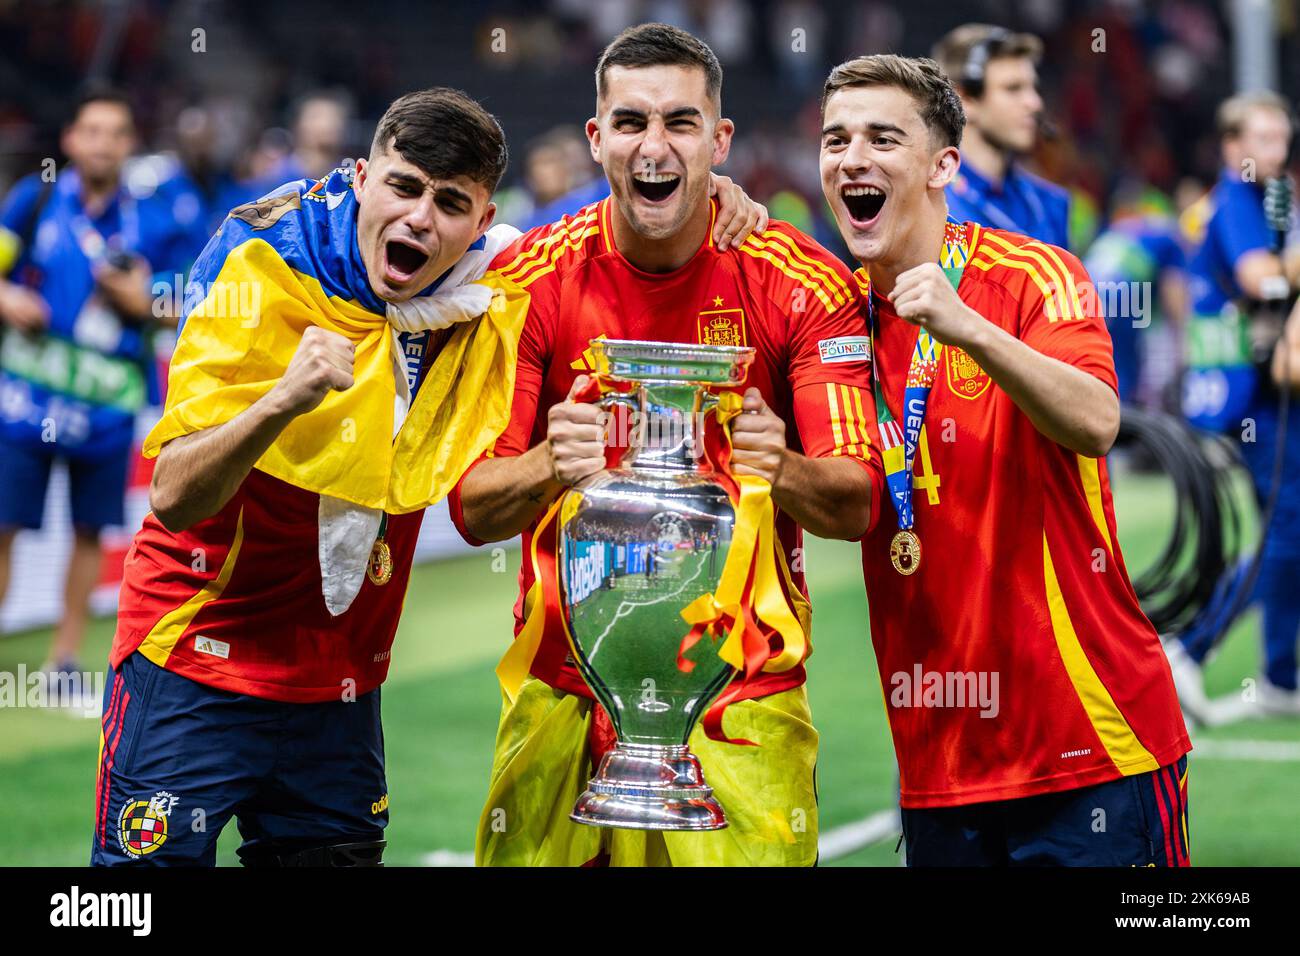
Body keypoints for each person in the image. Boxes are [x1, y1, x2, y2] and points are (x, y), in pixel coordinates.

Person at [452, 23, 879, 867]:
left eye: (681, 123)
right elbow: (469, 508)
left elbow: (859, 503)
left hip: (738, 689)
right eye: (632, 123)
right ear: (596, 138)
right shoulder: (528, 282)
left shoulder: (801, 281)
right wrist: (546, 465)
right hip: (562, 683)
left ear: (719, 141)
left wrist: (781, 465)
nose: (655, 147)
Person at [91, 88, 516, 866]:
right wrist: (282, 401)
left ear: (481, 224)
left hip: (339, 687)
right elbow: (175, 494)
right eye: (404, 186)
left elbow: (621, 239)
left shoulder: (490, 284)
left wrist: (716, 191)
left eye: (450, 203)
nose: (421, 218)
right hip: (194, 662)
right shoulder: (261, 264)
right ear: (361, 176)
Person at [819, 53, 1191, 865]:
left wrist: (969, 330)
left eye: (883, 137)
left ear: (944, 164)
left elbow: (1097, 420)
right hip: (939, 770)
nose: (852, 158)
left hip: (1093, 744)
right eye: (835, 139)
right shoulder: (833, 318)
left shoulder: (1032, 273)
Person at [0, 89, 185, 686]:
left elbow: (195, 301)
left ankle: (64, 662)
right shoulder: (36, 199)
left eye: (116, 133)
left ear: (130, 145)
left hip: (107, 406)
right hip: (26, 398)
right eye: (93, 131)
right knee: (4, 524)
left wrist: (146, 301)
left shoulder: (156, 219)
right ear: (71, 141)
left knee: (89, 532)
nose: (104, 143)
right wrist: (7, 298)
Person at [1175, 91, 1300, 718]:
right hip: (1248, 391)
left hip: (1260, 384)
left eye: (1283, 138)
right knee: (1286, 527)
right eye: (1264, 138)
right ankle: (1189, 649)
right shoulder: (1234, 200)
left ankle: (1280, 675)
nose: (1276, 151)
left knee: (1288, 527)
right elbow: (1260, 278)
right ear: (1233, 147)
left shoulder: (1261, 198)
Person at [932, 24, 1070, 249]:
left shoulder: (1051, 205)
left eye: (1033, 88)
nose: (1035, 103)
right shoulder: (928, 204)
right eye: (1013, 88)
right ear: (964, 100)